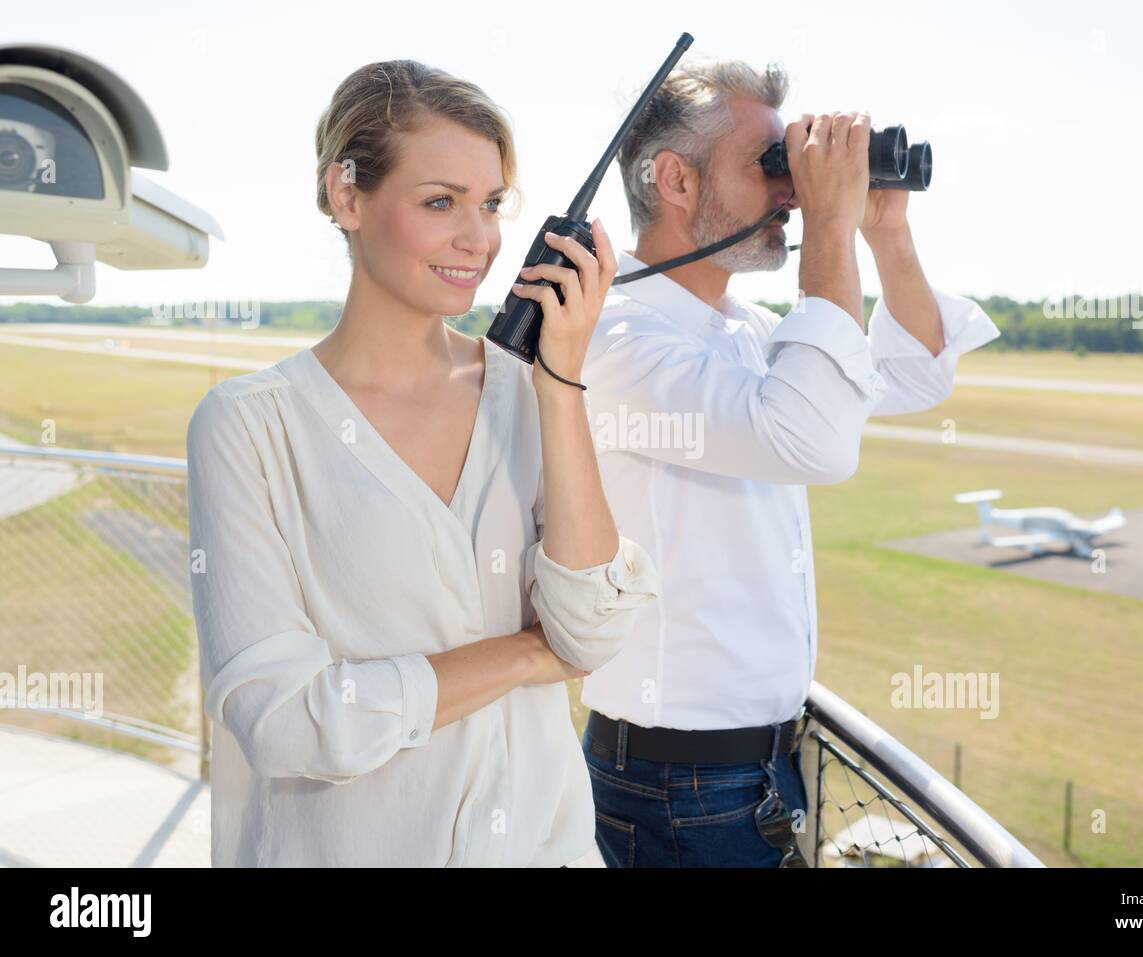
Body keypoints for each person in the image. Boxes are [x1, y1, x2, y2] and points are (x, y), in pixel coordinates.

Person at [186, 59, 659, 867]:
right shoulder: (249, 425)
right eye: (440, 202)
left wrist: (559, 384)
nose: (477, 239)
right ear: (347, 196)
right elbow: (281, 720)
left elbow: (590, 628)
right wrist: (520, 653)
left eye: (491, 205)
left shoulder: (531, 394)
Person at [578, 58, 1000, 867]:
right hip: (680, 777)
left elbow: (912, 374)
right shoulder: (617, 337)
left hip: (752, 763)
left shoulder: (745, 326)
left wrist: (883, 229)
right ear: (672, 179)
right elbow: (809, 438)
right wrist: (832, 233)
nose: (794, 189)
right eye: (772, 165)